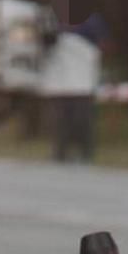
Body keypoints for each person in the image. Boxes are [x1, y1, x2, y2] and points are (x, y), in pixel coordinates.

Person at [42, 13, 110, 164]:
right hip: (57, 79)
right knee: (59, 120)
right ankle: (59, 153)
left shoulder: (91, 21)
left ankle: (86, 154)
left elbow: (103, 44)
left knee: (82, 120)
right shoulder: (51, 19)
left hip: (82, 79)